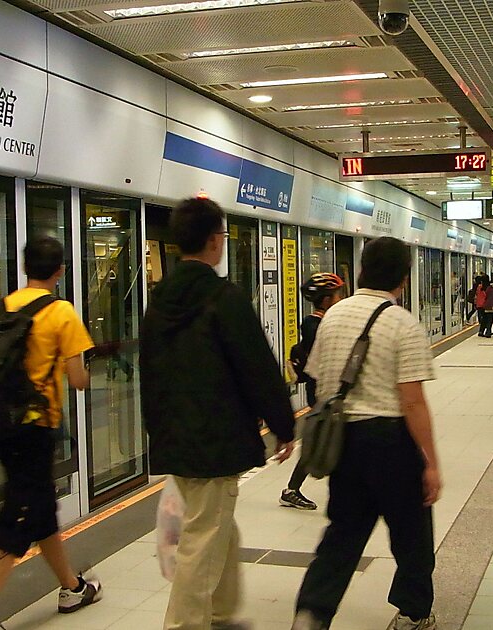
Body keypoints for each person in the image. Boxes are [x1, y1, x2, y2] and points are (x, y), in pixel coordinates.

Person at [141, 198, 297, 630]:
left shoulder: (158, 301)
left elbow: (149, 372)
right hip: (215, 440)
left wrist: (158, 432)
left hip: (176, 438)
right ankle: (186, 624)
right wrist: (284, 426)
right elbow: (257, 367)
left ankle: (222, 614)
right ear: (214, 241)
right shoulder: (222, 296)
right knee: (203, 541)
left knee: (216, 529)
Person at [292, 237, 442, 630]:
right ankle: (412, 613)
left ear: (361, 270)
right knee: (412, 533)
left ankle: (312, 611)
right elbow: (412, 400)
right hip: (391, 441)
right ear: (403, 278)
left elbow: (317, 380)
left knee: (343, 532)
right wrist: (430, 462)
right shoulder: (402, 322)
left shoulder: (334, 316)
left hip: (345, 442)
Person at [0, 237, 102, 630]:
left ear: (25, 268)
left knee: (40, 508)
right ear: (60, 270)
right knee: (19, 513)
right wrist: (86, 367)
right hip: (35, 428)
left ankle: (72, 587)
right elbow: (78, 381)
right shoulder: (62, 313)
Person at [280, 272, 346, 511]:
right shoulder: (313, 324)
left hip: (324, 388)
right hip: (320, 390)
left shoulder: (322, 321)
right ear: (327, 300)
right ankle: (292, 489)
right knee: (325, 439)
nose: (340, 299)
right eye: (337, 295)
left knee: (328, 439)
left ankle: (293, 489)